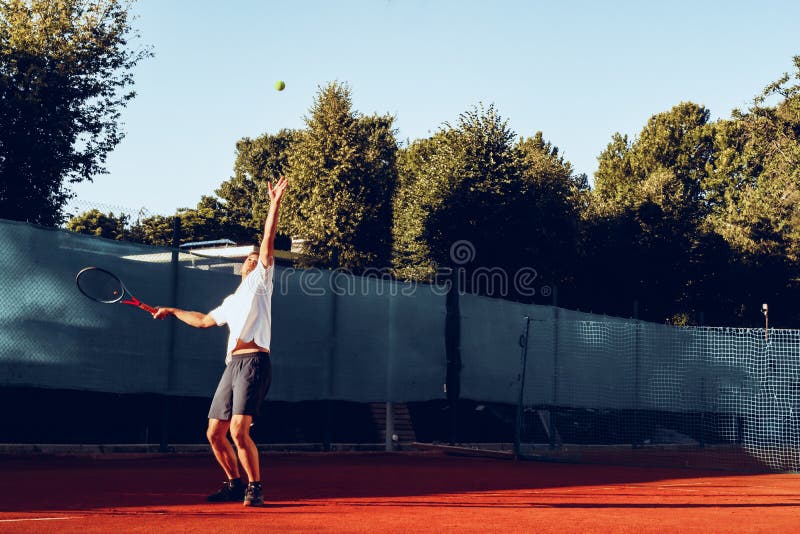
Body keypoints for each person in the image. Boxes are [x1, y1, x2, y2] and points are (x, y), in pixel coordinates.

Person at [153, 177, 288, 507]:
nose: (253, 259)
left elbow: (267, 241)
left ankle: (255, 487)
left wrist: (274, 204)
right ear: (240, 266)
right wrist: (171, 310)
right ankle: (233, 484)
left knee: (239, 431)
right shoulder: (232, 300)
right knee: (215, 433)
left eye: (257, 258)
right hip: (233, 366)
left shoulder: (261, 283)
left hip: (254, 362)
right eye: (249, 258)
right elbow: (202, 320)